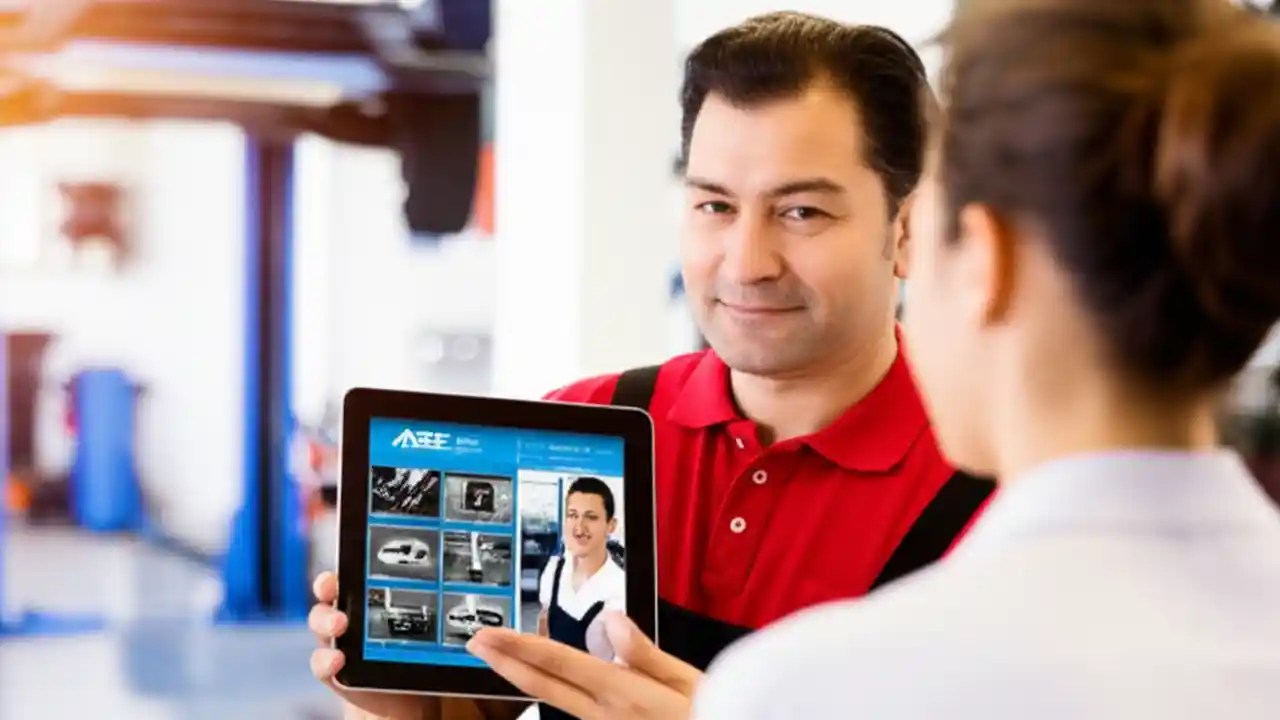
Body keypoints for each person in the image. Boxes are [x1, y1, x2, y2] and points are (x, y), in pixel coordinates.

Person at [309, 11, 993, 720]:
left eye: (802, 213)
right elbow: (479, 706)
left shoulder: (995, 497)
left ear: (908, 229)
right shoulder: (582, 427)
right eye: (715, 204)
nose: (747, 263)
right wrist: (408, 707)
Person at [688, 0, 1280, 717]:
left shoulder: (813, 689)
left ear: (983, 260)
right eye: (714, 205)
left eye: (921, 229)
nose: (748, 264)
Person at [535, 478, 626, 720]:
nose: (579, 526)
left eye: (591, 517)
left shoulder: (619, 590)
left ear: (611, 525)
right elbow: (543, 629)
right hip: (548, 705)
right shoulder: (554, 570)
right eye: (573, 515)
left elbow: (622, 681)